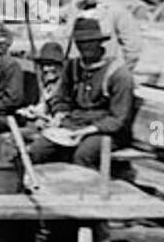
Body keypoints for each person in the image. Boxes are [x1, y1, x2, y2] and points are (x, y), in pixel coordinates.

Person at [27, 17, 135, 169]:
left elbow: (118, 119)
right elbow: (61, 98)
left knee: (84, 155)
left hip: (105, 131)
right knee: (38, 149)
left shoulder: (118, 74)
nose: (85, 47)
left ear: (99, 42)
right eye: (81, 43)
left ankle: (84, 189)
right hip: (74, 124)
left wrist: (86, 131)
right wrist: (59, 114)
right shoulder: (73, 66)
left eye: (90, 42)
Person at [57, 0, 143, 68]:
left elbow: (132, 47)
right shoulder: (75, 7)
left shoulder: (116, 10)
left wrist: (120, 74)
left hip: (103, 69)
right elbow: (49, 15)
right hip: (75, 69)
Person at [17, 41, 65, 130]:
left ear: (61, 66)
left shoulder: (66, 85)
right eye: (43, 65)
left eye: (50, 65)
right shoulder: (41, 84)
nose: (45, 69)